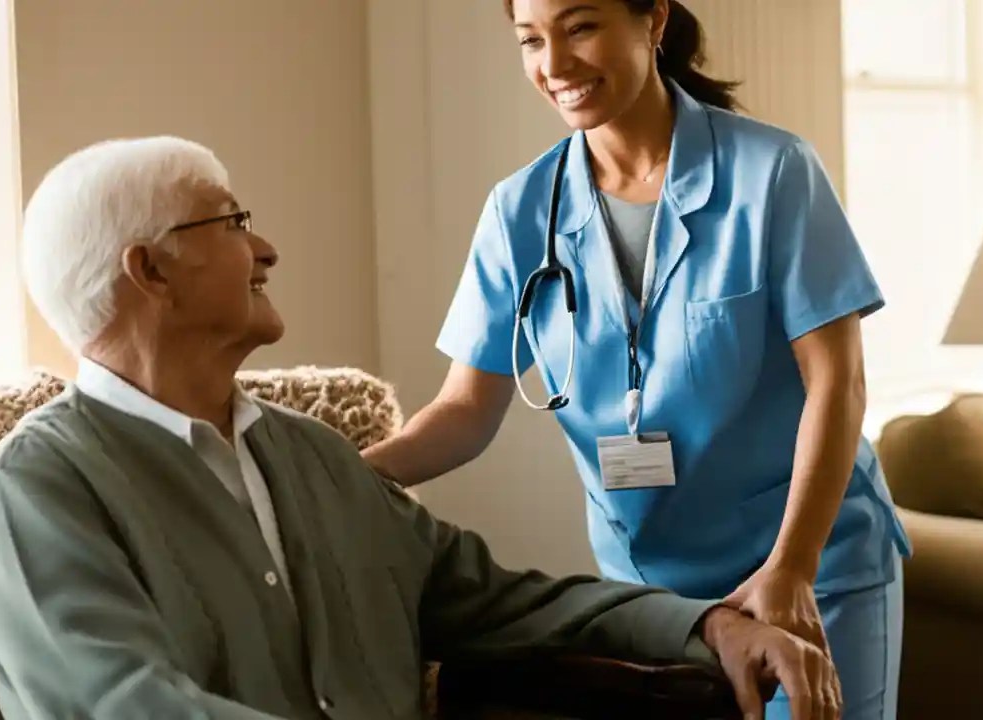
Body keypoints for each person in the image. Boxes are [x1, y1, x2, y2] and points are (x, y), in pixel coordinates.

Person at [0, 135, 842, 720]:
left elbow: (503, 600)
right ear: (149, 270)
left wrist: (711, 627)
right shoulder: (37, 490)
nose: (265, 250)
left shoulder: (310, 458)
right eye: (233, 223)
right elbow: (126, 705)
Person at [359, 1, 912, 719]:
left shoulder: (771, 172)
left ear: (652, 19)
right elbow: (466, 409)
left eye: (580, 26)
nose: (554, 64)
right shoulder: (519, 211)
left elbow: (837, 383)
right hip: (652, 599)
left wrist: (793, 568)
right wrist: (337, 475)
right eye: (531, 39)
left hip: (810, 567)